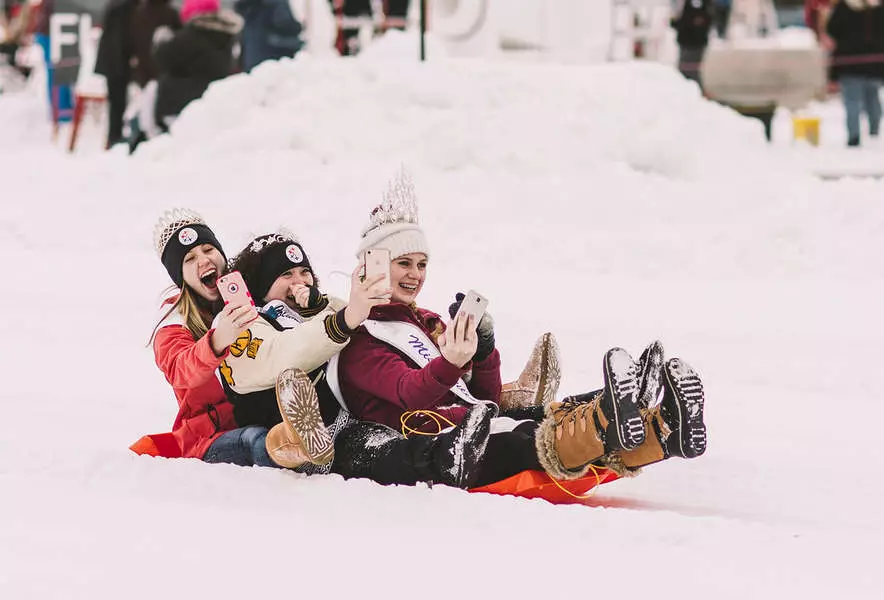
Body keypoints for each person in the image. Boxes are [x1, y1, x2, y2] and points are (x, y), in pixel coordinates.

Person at [335, 170, 709, 487]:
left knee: (545, 413)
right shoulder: (363, 339)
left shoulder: (424, 321)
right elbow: (409, 394)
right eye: (404, 263)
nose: (416, 275)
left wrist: (483, 352)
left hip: (473, 418)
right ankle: (618, 417)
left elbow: (484, 397)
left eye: (422, 264)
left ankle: (659, 423)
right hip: (434, 438)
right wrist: (449, 363)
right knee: (525, 438)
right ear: (375, 265)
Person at [222, 230, 559, 487]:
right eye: (286, 276)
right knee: (364, 447)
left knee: (380, 431)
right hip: (285, 423)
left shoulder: (328, 308)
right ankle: (306, 445)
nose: (299, 282)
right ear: (262, 287)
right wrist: (342, 320)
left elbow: (385, 328)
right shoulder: (249, 325)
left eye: (304, 272)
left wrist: (464, 341)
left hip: (349, 417)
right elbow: (281, 357)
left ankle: (548, 411)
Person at [152, 0, 242, 130]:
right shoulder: (226, 34)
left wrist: (160, 40)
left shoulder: (193, 34)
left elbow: (163, 58)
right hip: (213, 100)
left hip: (182, 103)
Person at [826, 0, 884, 146]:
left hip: (849, 63)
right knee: (873, 99)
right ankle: (874, 133)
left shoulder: (844, 7)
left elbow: (831, 29)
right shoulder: (878, 8)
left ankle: (854, 136)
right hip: (874, 63)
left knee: (852, 102)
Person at [234, 0, 303, 72]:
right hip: (273, 64)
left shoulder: (246, 6)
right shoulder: (276, 4)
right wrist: (299, 29)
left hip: (252, 65)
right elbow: (287, 26)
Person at [670, 0, 714, 88]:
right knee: (684, 68)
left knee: (691, 69)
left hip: (696, 40)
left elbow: (706, 17)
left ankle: (695, 92)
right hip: (685, 39)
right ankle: (687, 91)